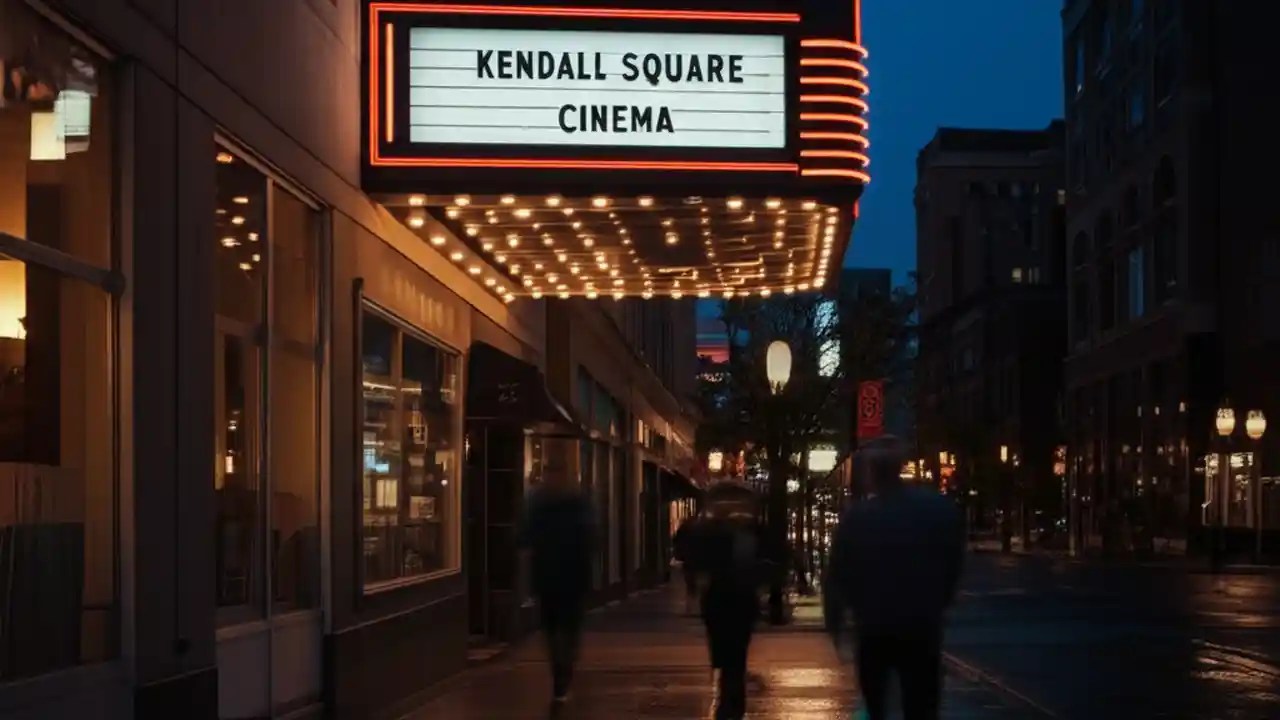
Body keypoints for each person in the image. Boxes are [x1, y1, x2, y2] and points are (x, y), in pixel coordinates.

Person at [824, 436, 965, 720]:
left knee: (876, 704)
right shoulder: (936, 509)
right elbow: (952, 563)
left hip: (873, 626)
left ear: (872, 472)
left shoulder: (858, 518)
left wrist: (836, 624)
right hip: (920, 624)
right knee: (921, 704)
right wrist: (939, 603)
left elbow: (838, 574)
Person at [519, 463, 596, 707]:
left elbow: (524, 539)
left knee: (557, 632)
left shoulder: (539, 504)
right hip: (565, 579)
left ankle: (561, 674)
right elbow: (592, 539)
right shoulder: (577, 504)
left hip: (554, 578)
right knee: (563, 632)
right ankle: (562, 673)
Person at [695, 483, 764, 720]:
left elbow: (698, 563)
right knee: (735, 656)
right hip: (739, 601)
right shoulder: (750, 534)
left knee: (726, 656)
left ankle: (729, 698)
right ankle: (732, 699)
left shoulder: (709, 534)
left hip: (721, 601)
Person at [672, 513, 704, 614]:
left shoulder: (683, 531)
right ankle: (697, 607)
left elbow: (676, 542)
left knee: (690, 584)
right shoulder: (700, 531)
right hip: (698, 560)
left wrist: (679, 555)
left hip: (688, 560)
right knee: (698, 583)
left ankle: (690, 607)